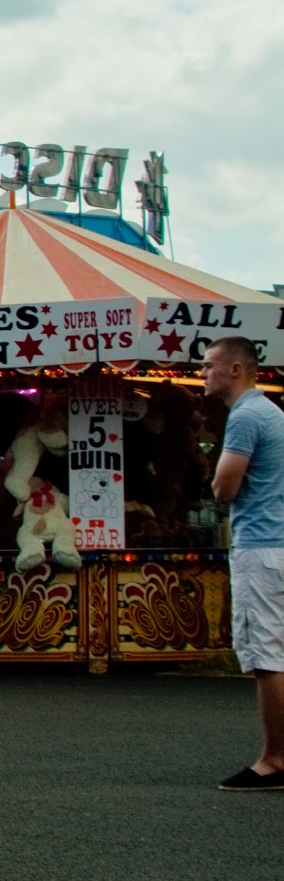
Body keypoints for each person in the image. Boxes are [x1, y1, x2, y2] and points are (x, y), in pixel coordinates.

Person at [205, 336, 284, 790]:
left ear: (237, 369)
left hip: (260, 545)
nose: (204, 373)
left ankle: (274, 759)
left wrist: (219, 481)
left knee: (266, 655)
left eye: (210, 365)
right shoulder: (269, 412)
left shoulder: (247, 417)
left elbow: (224, 486)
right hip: (276, 539)